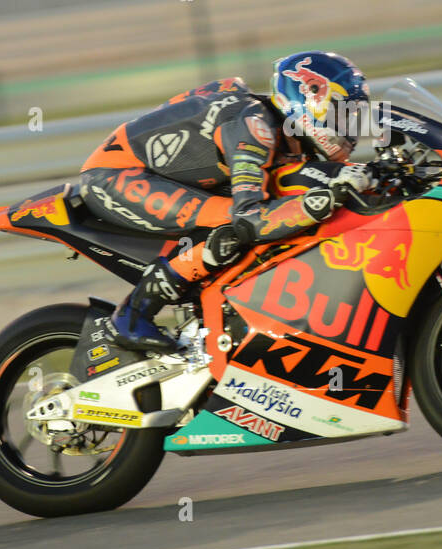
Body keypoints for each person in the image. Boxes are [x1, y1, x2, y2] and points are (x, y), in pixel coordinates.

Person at [76, 50, 375, 352]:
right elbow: (250, 218)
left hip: (163, 175)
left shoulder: (289, 136)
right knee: (231, 226)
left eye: (353, 117)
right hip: (117, 176)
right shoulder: (253, 126)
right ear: (309, 97)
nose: (348, 127)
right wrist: (324, 200)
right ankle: (132, 315)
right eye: (341, 113)